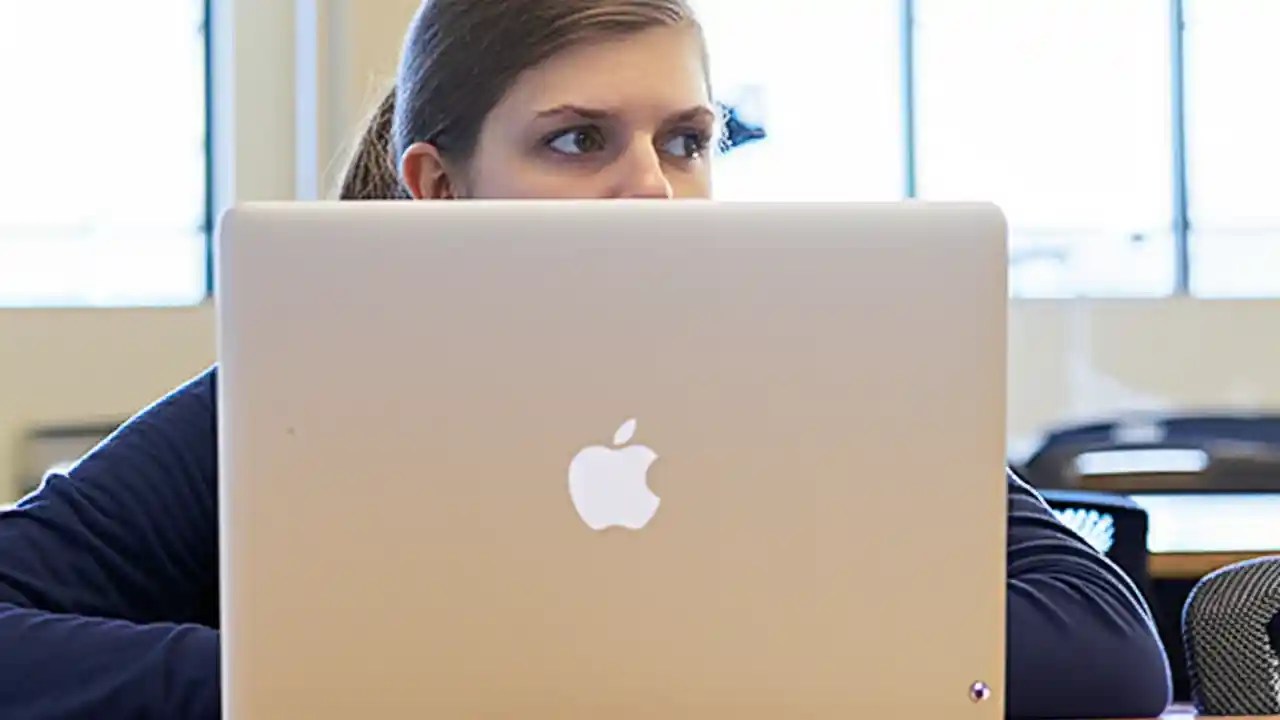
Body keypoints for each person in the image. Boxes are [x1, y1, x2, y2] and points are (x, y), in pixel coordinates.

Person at [0, 1, 1172, 718]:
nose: (651, 188)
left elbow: (1102, 651)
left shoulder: (816, 375)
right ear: (439, 186)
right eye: (577, 140)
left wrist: (602, 664)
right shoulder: (297, 395)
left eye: (686, 141)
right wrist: (314, 686)